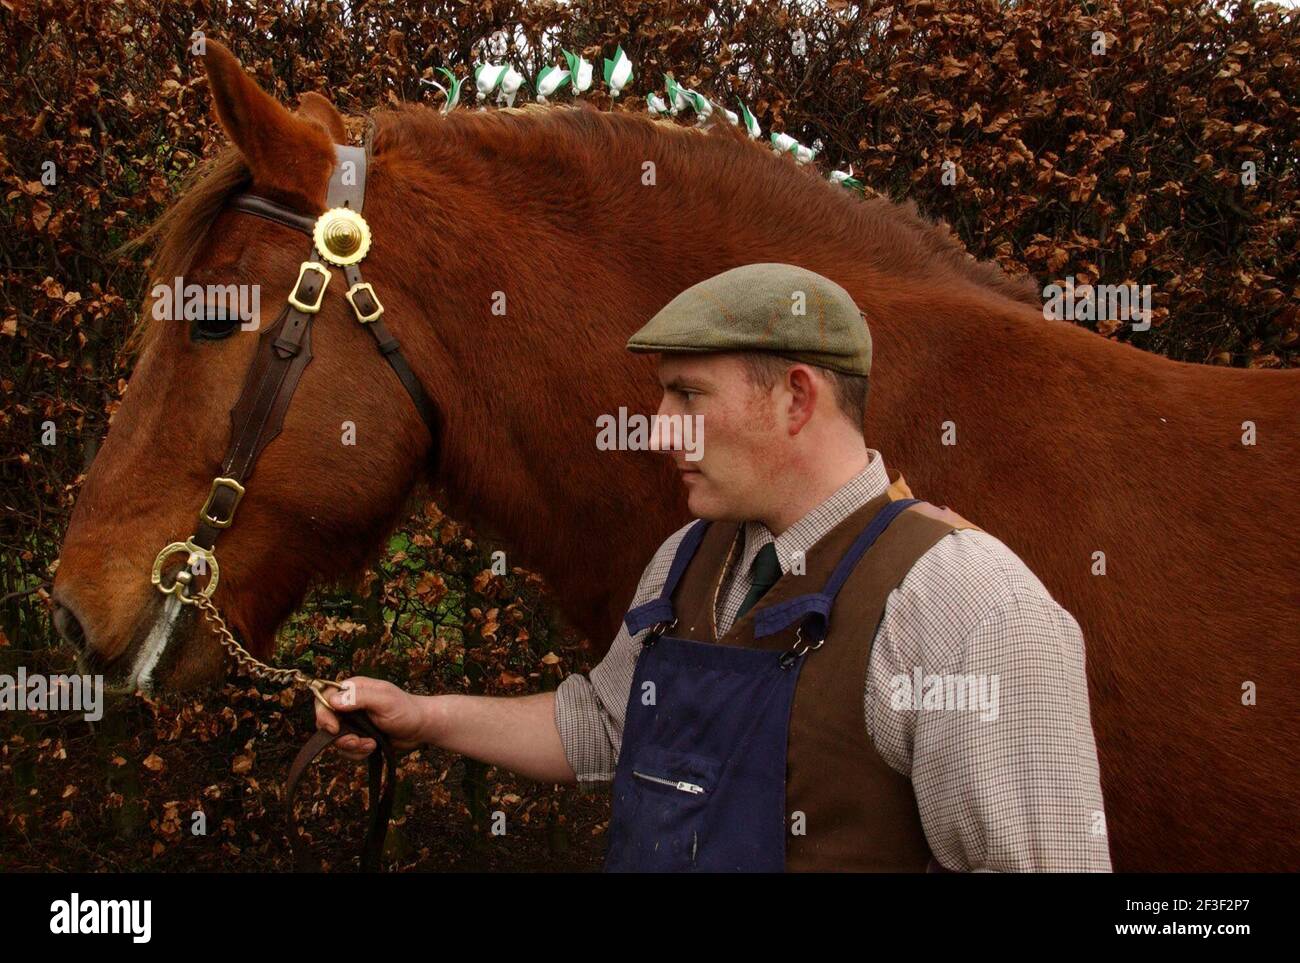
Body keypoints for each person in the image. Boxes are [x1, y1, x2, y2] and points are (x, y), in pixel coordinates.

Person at [315, 262, 1112, 872]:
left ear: (795, 399)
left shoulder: (970, 607)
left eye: (686, 396)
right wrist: (423, 716)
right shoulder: (687, 559)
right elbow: (604, 724)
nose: (659, 433)